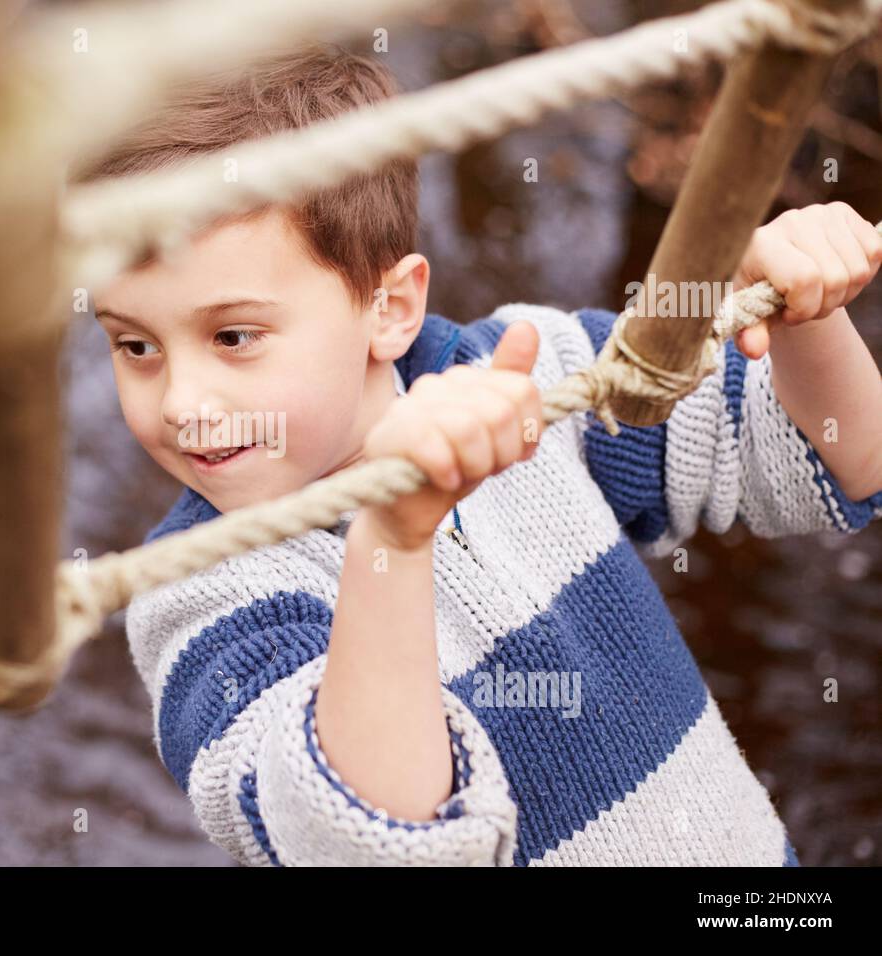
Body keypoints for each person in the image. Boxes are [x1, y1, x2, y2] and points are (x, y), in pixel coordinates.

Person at [77, 42, 882, 865]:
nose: (179, 403)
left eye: (233, 336)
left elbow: (843, 462)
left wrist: (805, 313)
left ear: (390, 308)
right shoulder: (201, 599)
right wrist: (391, 539)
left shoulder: (534, 373)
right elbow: (352, 841)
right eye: (135, 346)